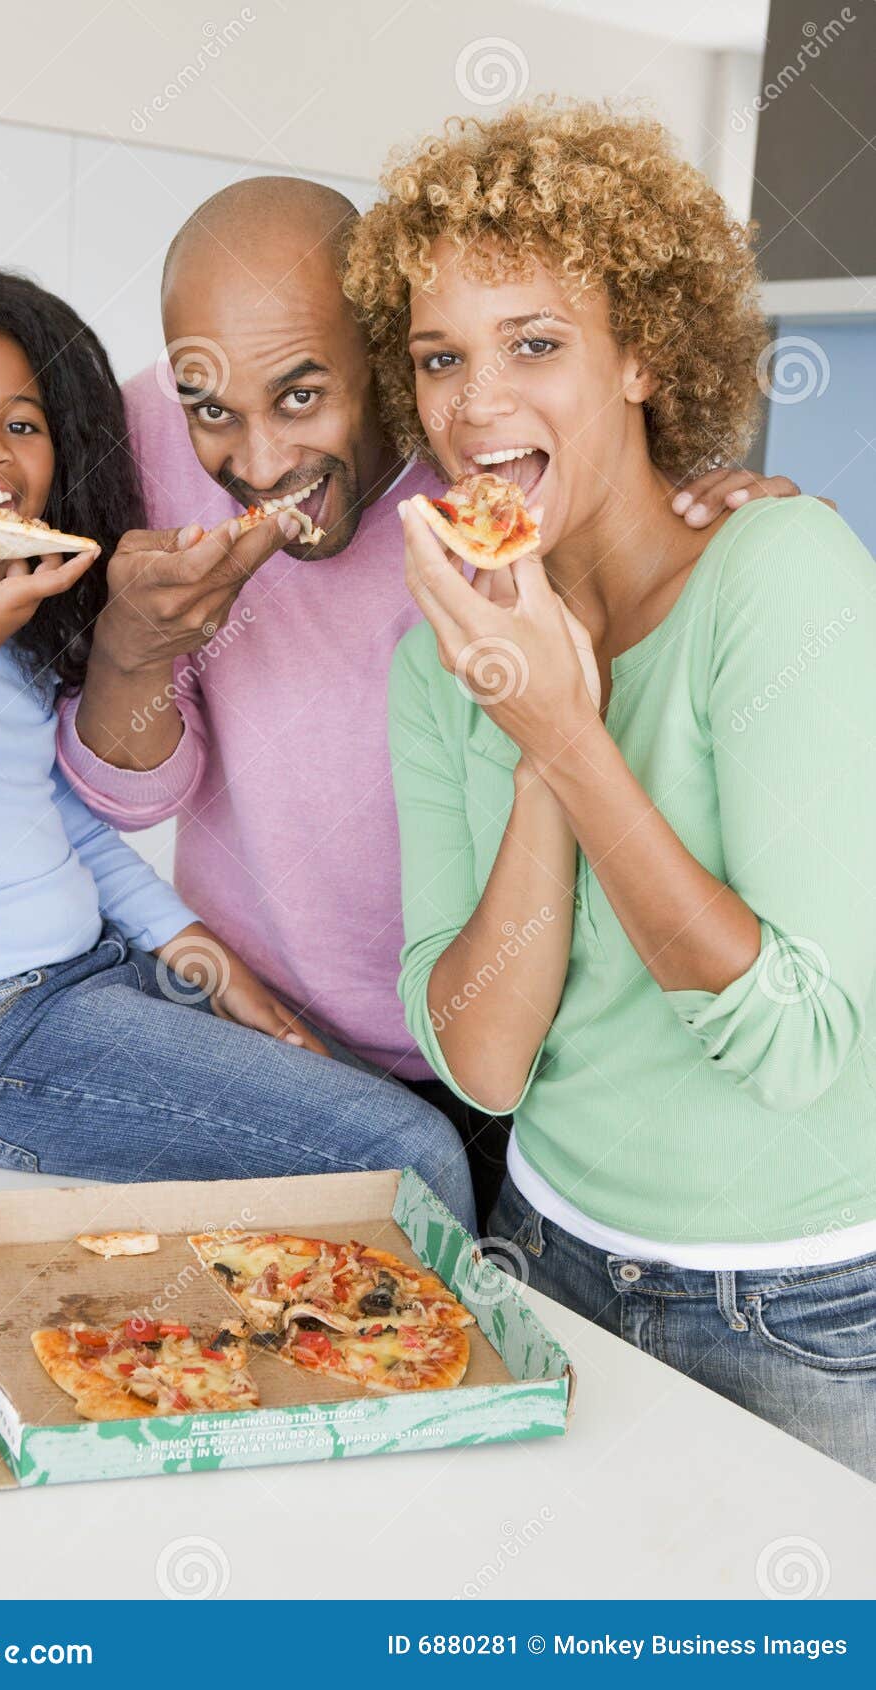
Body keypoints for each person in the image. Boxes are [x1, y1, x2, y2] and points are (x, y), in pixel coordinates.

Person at [57, 174, 803, 1227]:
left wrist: (738, 513)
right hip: (266, 1038)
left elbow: (643, 580)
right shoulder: (145, 436)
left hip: (522, 1055)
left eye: (302, 396)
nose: (259, 457)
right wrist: (130, 654)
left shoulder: (500, 479)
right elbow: (123, 798)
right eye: (213, 408)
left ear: (388, 361)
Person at [344, 101, 876, 1478]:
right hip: (540, 1259)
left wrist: (574, 738)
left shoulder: (779, 577)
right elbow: (483, 1058)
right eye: (439, 358)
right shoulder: (435, 670)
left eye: (534, 343)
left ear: (641, 352)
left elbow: (798, 1040)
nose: (476, 404)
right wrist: (531, 736)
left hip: (792, 1313)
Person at [0, 266, 477, 1231]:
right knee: (405, 1152)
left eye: (22, 425)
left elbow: (67, 830)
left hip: (93, 973)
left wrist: (220, 972)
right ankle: (447, 1381)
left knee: (352, 1086)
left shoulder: (15, 607)